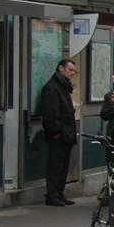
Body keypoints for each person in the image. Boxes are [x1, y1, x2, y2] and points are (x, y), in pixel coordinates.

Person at [37, 59, 77, 206]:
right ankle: (52, 194)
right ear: (61, 68)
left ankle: (59, 193)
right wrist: (56, 131)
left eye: (73, 70)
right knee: (55, 165)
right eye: (70, 70)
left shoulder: (63, 87)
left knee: (63, 165)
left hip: (65, 133)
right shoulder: (52, 88)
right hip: (59, 134)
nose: (72, 73)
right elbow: (50, 114)